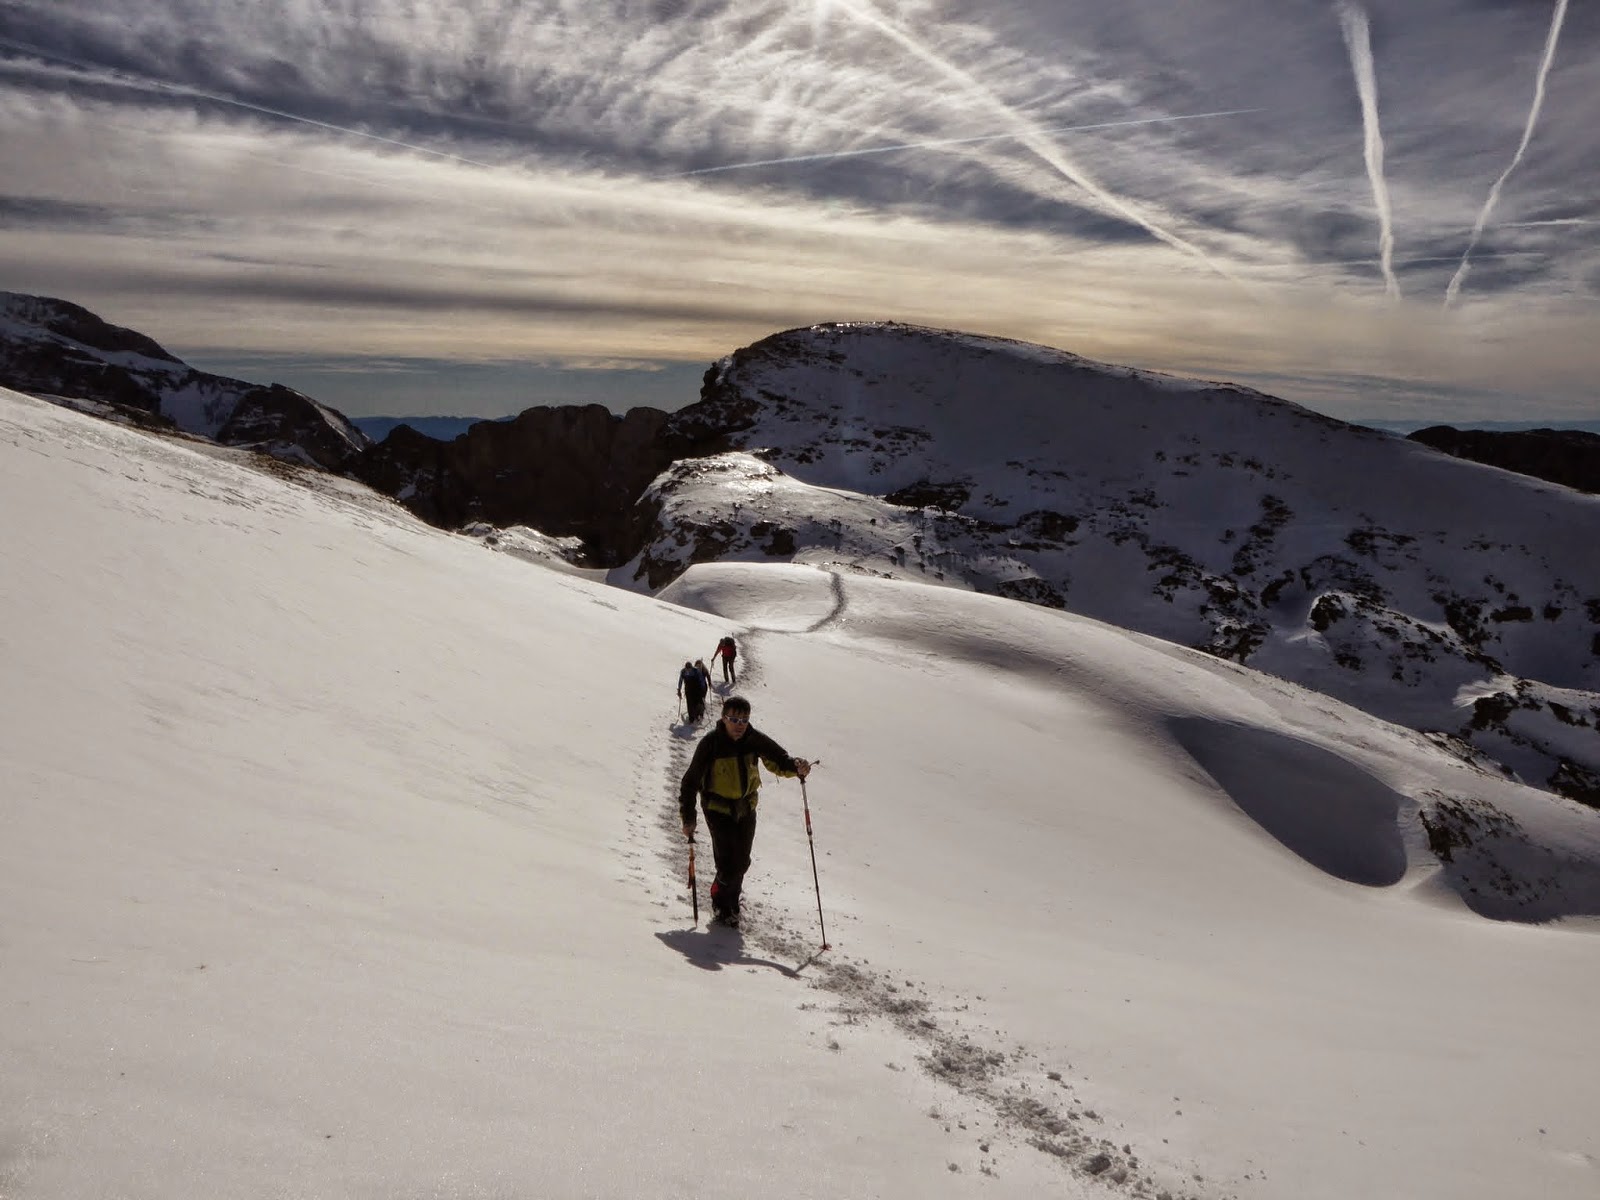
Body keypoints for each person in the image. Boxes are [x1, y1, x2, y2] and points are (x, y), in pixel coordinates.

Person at [679, 695, 811, 928]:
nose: (739, 725)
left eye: (744, 720)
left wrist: (797, 767)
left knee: (742, 861)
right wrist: (689, 818)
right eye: (734, 719)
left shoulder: (753, 739)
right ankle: (723, 905)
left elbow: (779, 760)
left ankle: (730, 902)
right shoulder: (711, 744)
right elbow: (690, 782)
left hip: (746, 807)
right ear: (723, 718)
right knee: (727, 864)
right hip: (717, 809)